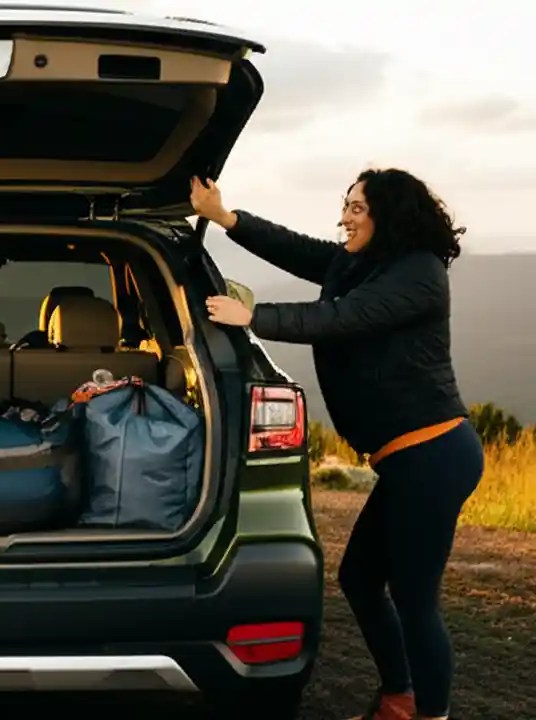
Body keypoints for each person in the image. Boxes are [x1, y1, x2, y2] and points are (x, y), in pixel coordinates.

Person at [191, 170, 483, 720]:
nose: (344, 216)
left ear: (388, 213)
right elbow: (297, 249)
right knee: (360, 579)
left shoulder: (418, 274)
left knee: (417, 601)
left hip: (435, 454)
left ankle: (430, 713)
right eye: (345, 205)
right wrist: (223, 216)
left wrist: (253, 318)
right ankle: (399, 698)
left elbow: (341, 318)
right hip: (408, 460)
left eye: (356, 207)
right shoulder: (365, 263)